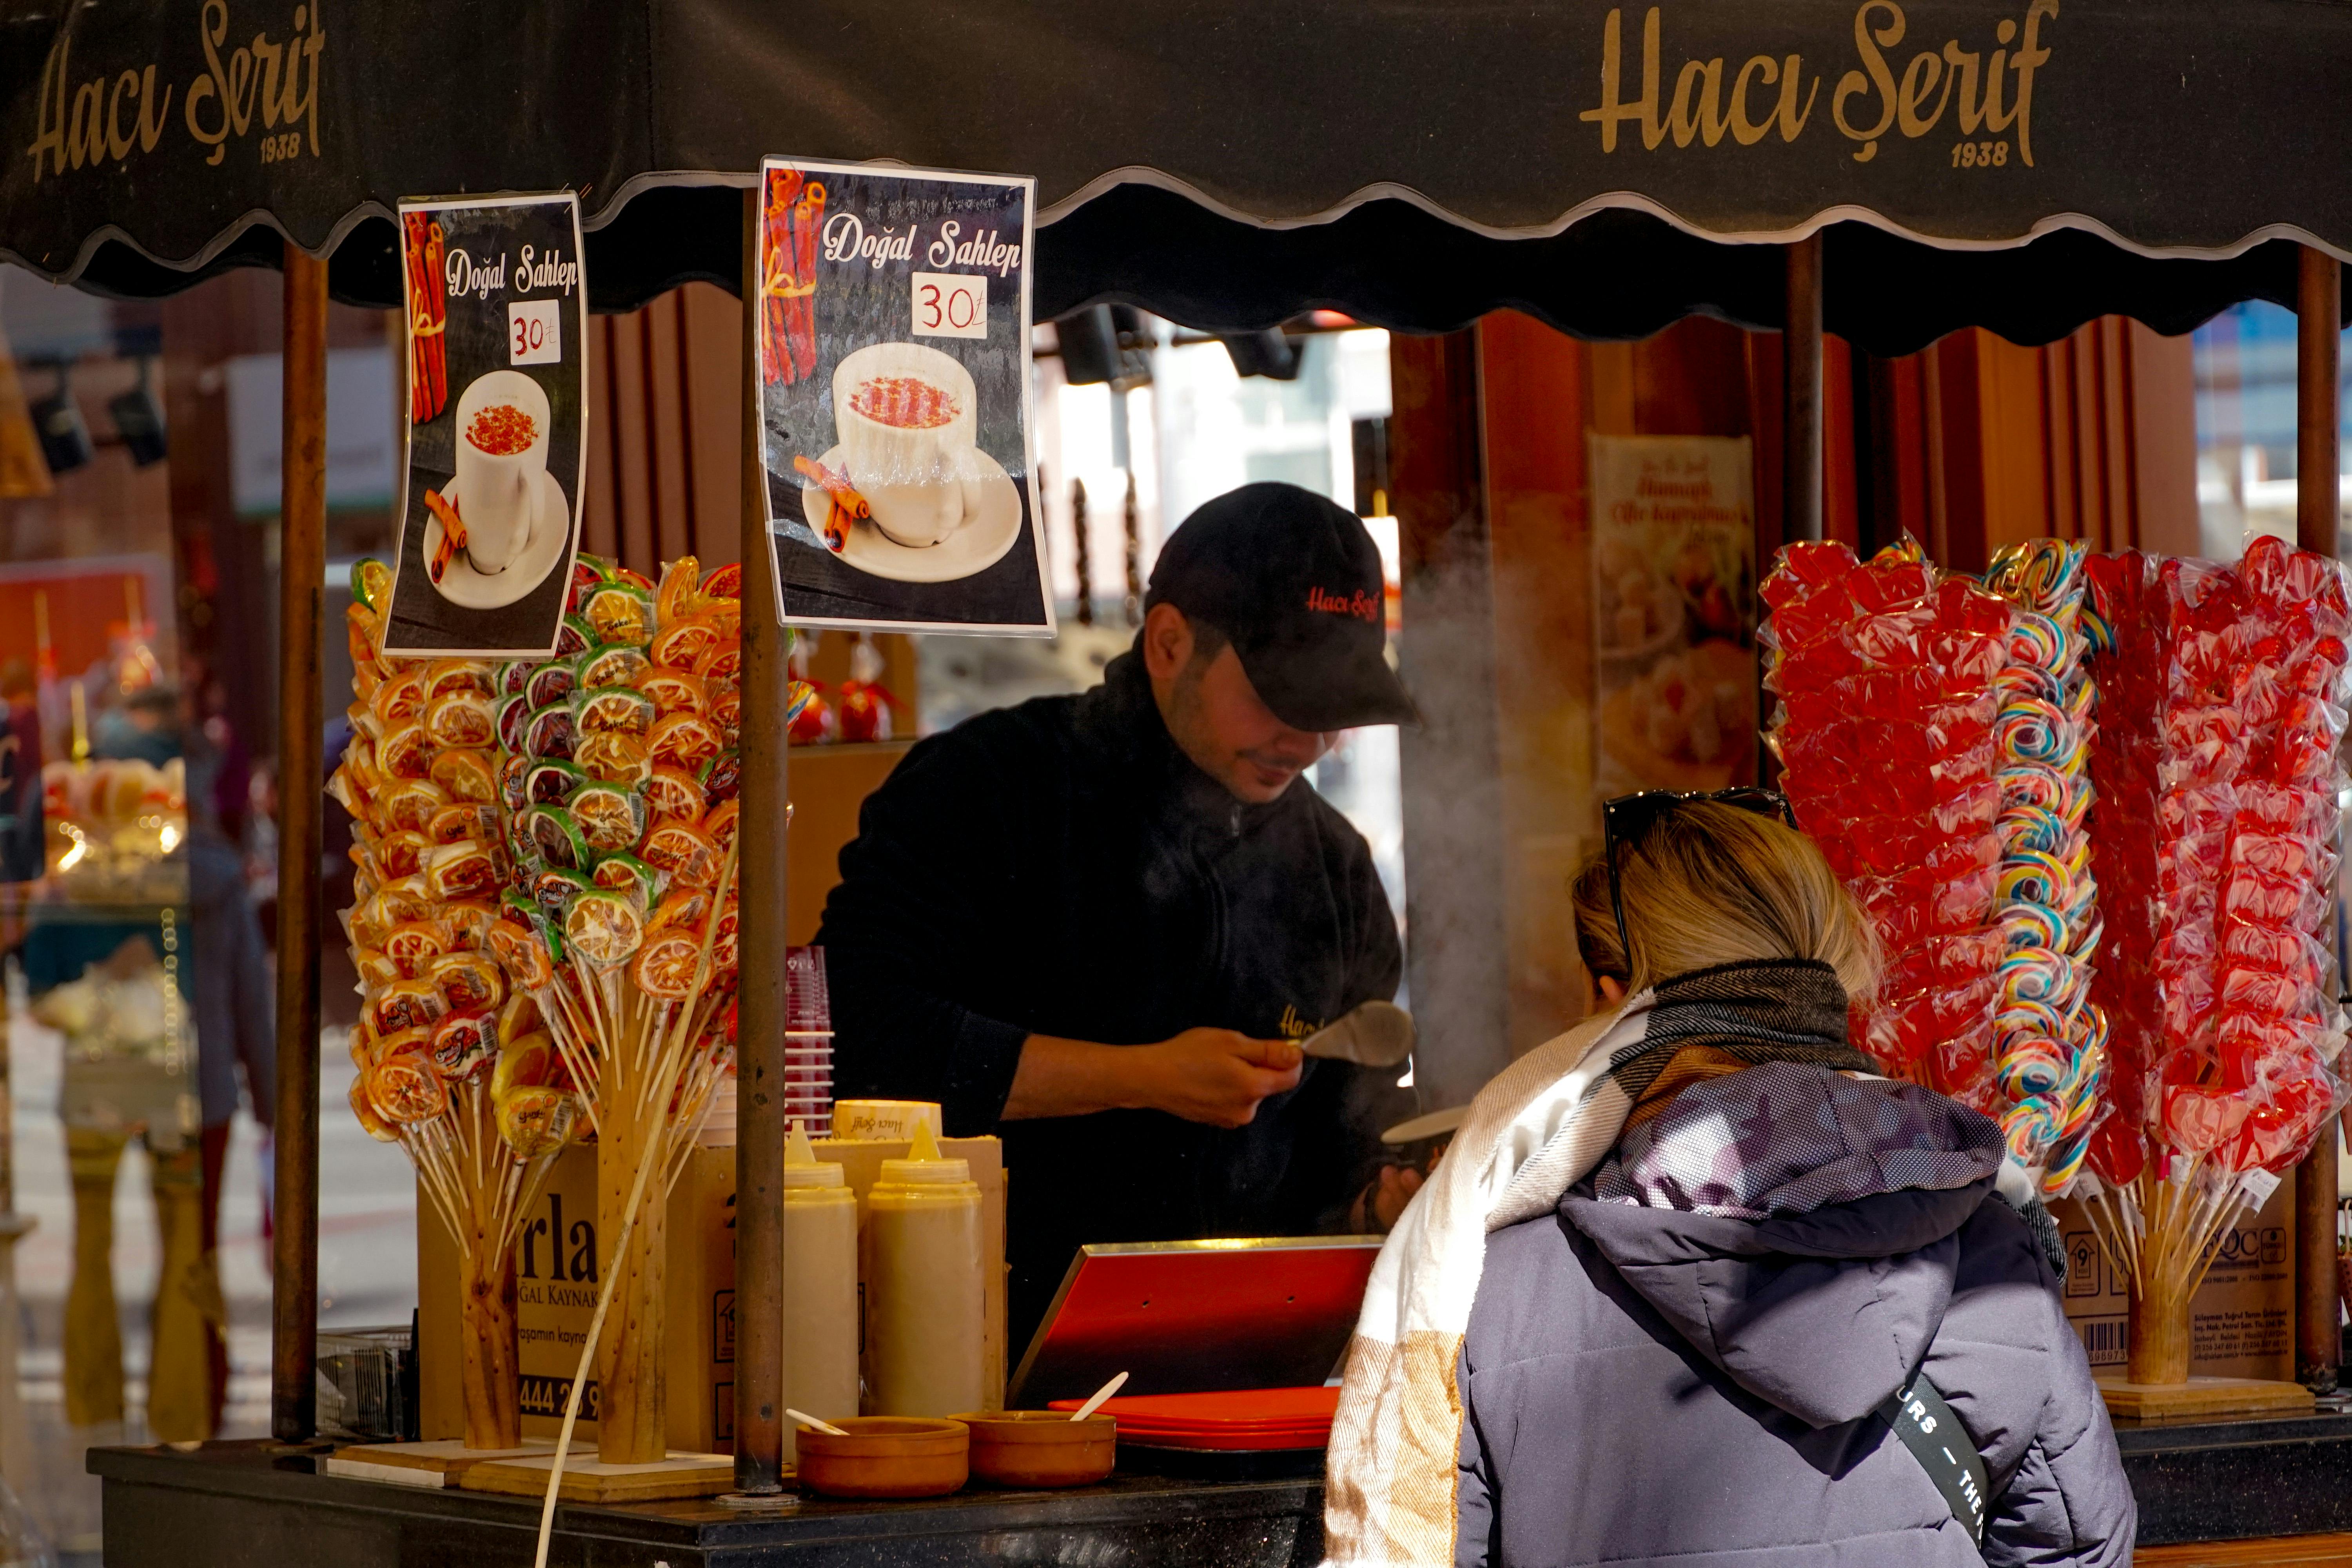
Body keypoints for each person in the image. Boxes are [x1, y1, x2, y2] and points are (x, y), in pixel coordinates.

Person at [1325, 795, 2132, 1568]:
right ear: (1833, 973)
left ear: (1609, 1005)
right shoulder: (1988, 1253)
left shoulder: (1490, 1286)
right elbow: (2075, 1544)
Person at [821, 481, 1421, 1346]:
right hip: (977, 1365)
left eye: (1332, 713)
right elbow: (860, 1037)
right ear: (1171, 643)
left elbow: (1345, 1137)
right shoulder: (987, 789)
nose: (1306, 742)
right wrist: (1143, 1076)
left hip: (1255, 1371)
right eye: (1281, 698)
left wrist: (1379, 1190)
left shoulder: (1336, 868)